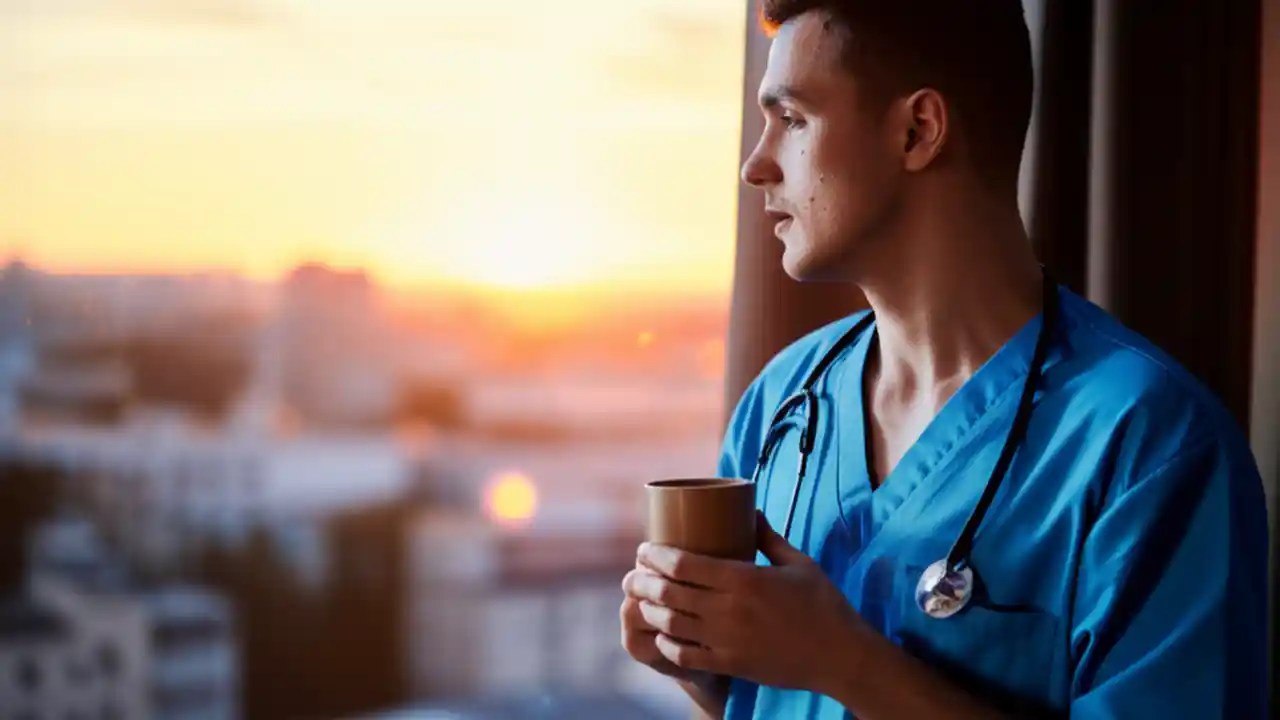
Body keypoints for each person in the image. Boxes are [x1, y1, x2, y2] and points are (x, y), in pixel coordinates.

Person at [619, 2, 1270, 719]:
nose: (755, 165)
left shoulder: (1147, 445)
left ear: (917, 130)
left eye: (794, 119)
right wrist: (710, 668)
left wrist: (844, 662)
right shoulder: (782, 404)